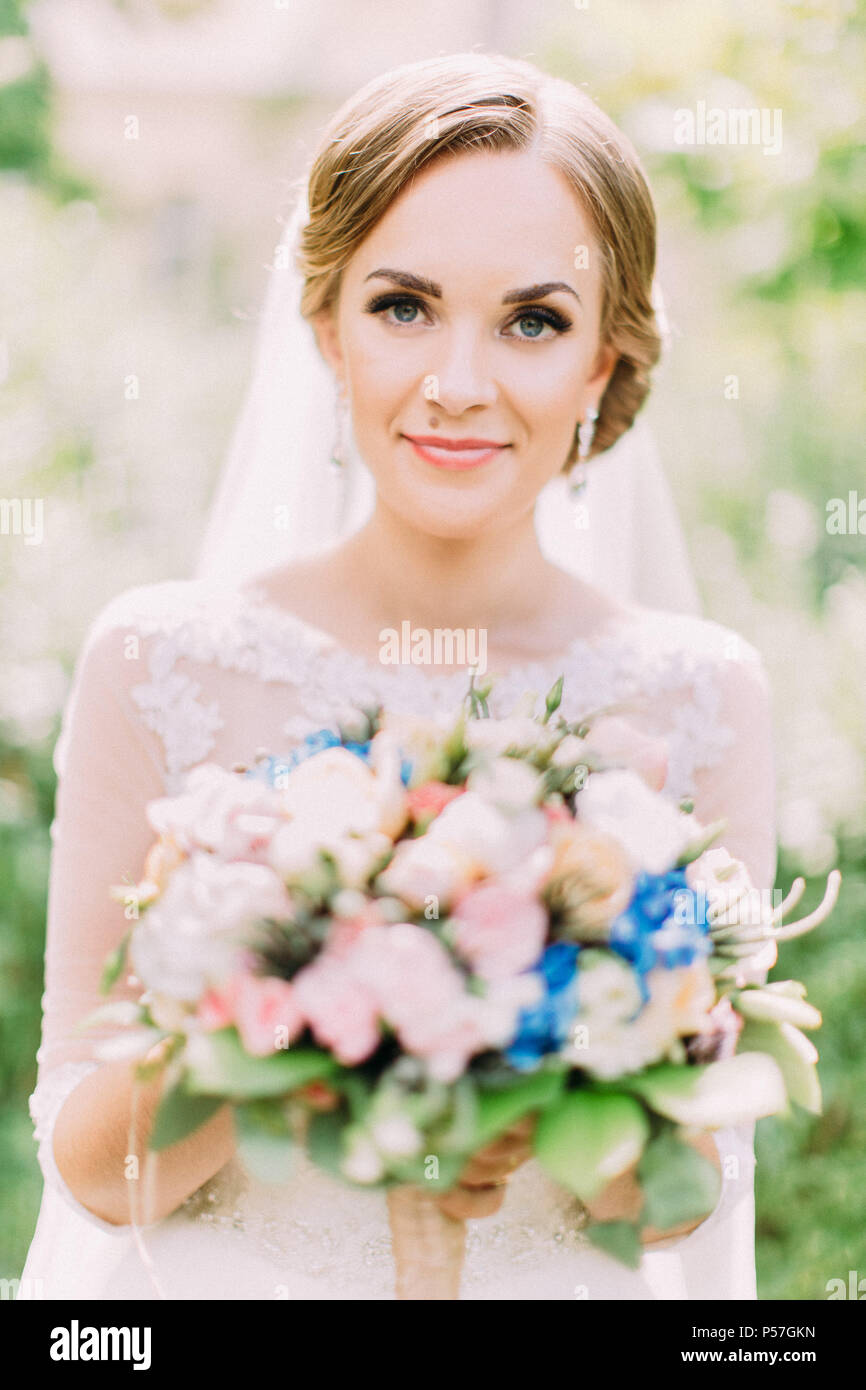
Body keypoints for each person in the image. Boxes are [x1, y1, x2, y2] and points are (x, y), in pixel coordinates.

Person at [19, 51, 775, 1300]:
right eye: (402, 306)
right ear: (323, 325)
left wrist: (547, 1057)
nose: (459, 384)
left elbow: (685, 1210)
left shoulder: (695, 700)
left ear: (599, 362)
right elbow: (97, 1173)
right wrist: (296, 976)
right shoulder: (159, 661)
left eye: (533, 320)